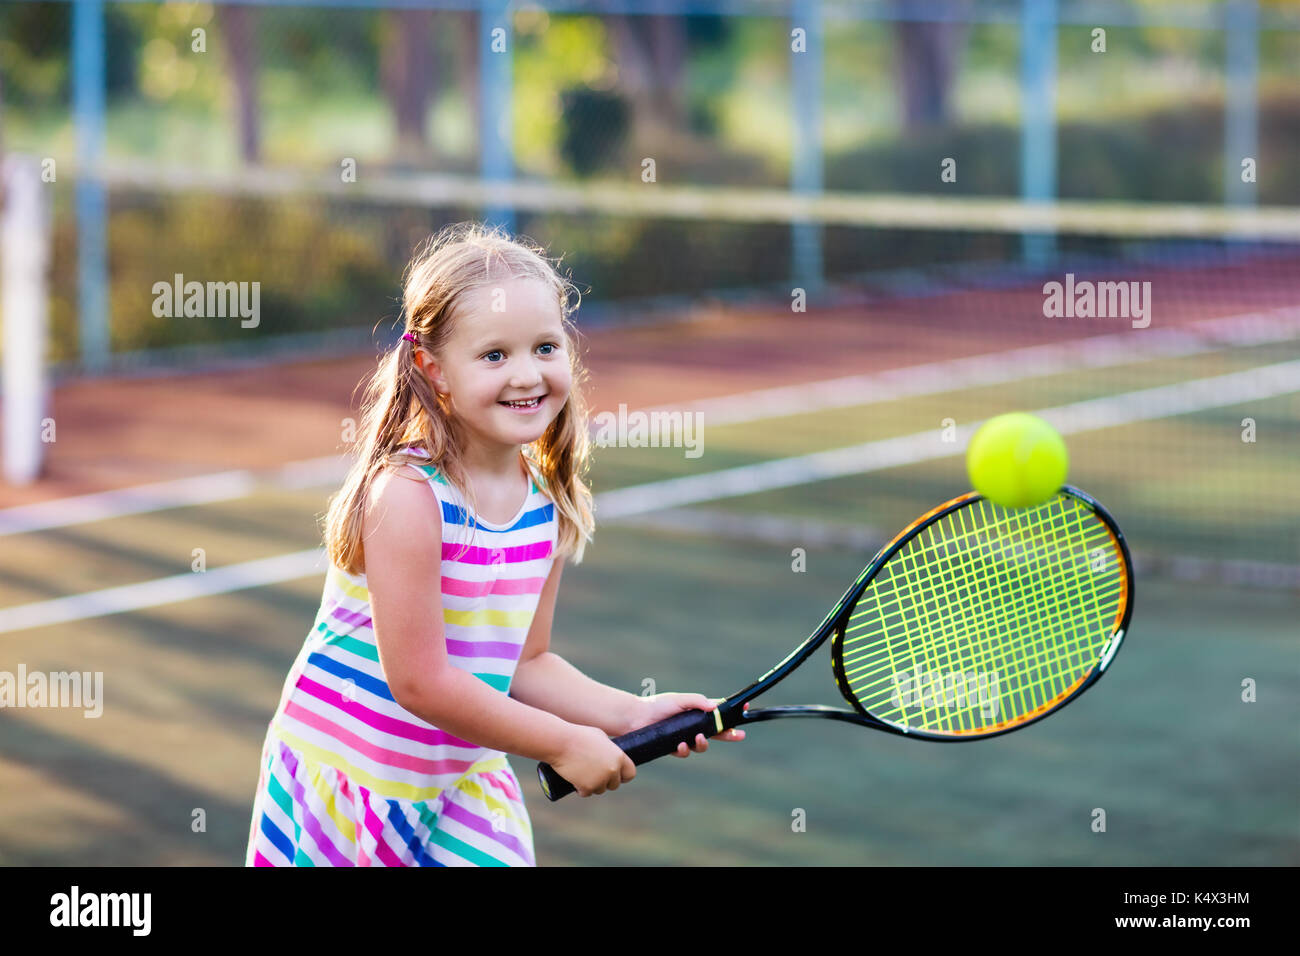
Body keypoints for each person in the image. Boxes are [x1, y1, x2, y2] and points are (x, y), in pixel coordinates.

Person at [245, 222, 743, 867]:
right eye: (494, 356)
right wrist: (563, 743)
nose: (527, 374)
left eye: (545, 347)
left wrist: (630, 713)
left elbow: (527, 664)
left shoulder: (548, 501)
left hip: (462, 787)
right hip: (345, 788)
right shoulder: (407, 495)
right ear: (434, 370)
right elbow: (420, 681)